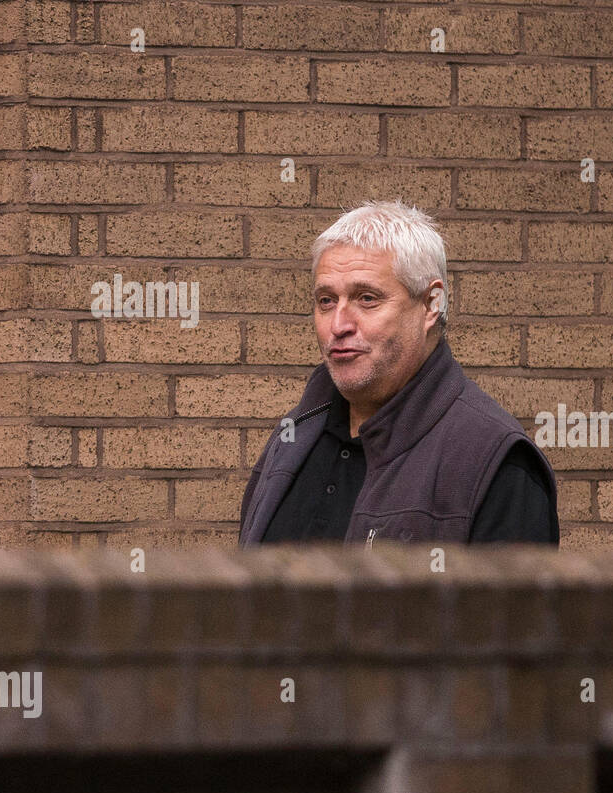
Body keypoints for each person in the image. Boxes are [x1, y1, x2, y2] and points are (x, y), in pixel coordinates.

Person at [239, 200, 558, 546]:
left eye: (367, 298)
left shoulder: (495, 461)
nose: (339, 324)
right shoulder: (295, 434)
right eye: (326, 301)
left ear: (430, 305)